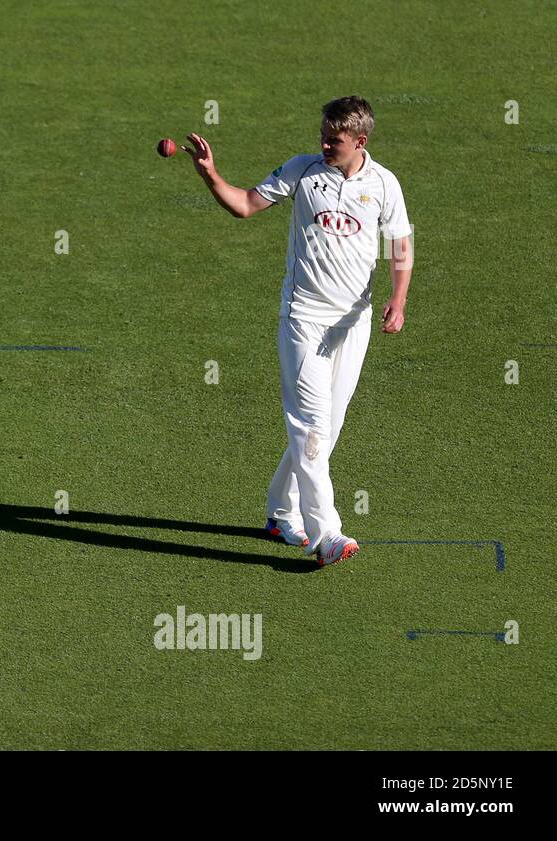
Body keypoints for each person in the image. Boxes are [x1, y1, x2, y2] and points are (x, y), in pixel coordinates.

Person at [182, 95, 413, 566]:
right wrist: (210, 174)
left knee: (328, 427)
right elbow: (245, 205)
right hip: (303, 318)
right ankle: (326, 532)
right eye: (323, 136)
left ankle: (280, 511)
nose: (325, 145)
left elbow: (401, 246)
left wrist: (398, 299)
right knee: (311, 425)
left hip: (353, 323)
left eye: (335, 140)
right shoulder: (302, 171)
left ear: (360, 142)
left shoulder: (385, 185)